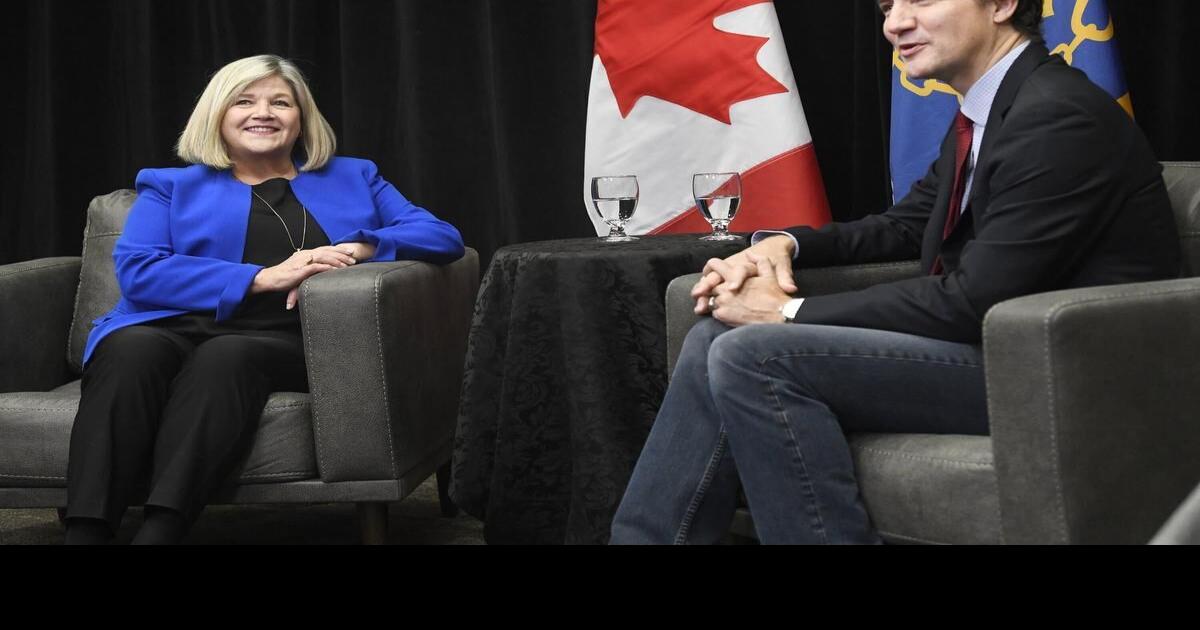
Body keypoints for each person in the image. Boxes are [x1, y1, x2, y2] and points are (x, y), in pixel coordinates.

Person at [610, 0, 1180, 544]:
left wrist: (783, 311)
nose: (895, 25)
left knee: (753, 352)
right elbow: (906, 226)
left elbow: (974, 301)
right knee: (715, 329)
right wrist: (781, 245)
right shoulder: (990, 110)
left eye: (921, 4)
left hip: (1061, 371)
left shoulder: (1057, 117)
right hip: (999, 351)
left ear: (1002, 5)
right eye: (887, 9)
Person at [64, 55, 465, 544]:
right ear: (217, 114)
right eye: (244, 101)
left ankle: (162, 529)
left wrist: (364, 245)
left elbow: (442, 237)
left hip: (281, 337)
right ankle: (85, 530)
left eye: (281, 102)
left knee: (226, 355)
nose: (264, 112)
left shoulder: (354, 177)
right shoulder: (170, 186)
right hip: (168, 325)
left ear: (301, 120)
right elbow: (140, 272)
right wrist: (262, 278)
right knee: (128, 351)